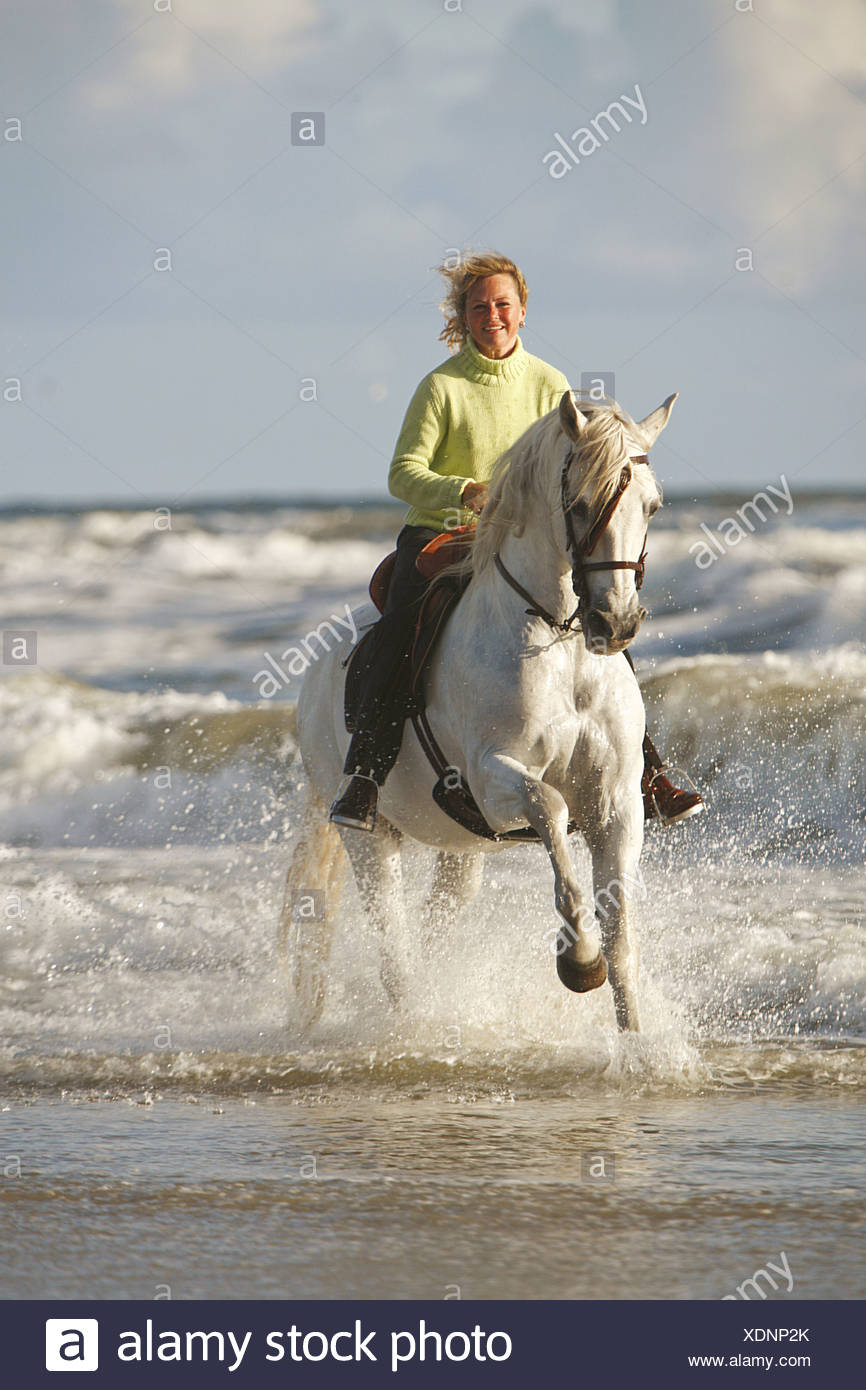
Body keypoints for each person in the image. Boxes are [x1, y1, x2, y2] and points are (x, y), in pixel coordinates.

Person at [329, 251, 704, 833]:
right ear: (464, 316)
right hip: (445, 533)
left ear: (523, 311)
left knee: (604, 621)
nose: (493, 316)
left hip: (524, 537)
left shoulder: (550, 384)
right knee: (400, 626)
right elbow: (403, 473)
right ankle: (364, 777)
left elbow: (578, 470)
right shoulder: (440, 388)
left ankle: (647, 774)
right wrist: (465, 490)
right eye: (479, 307)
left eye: (503, 304)